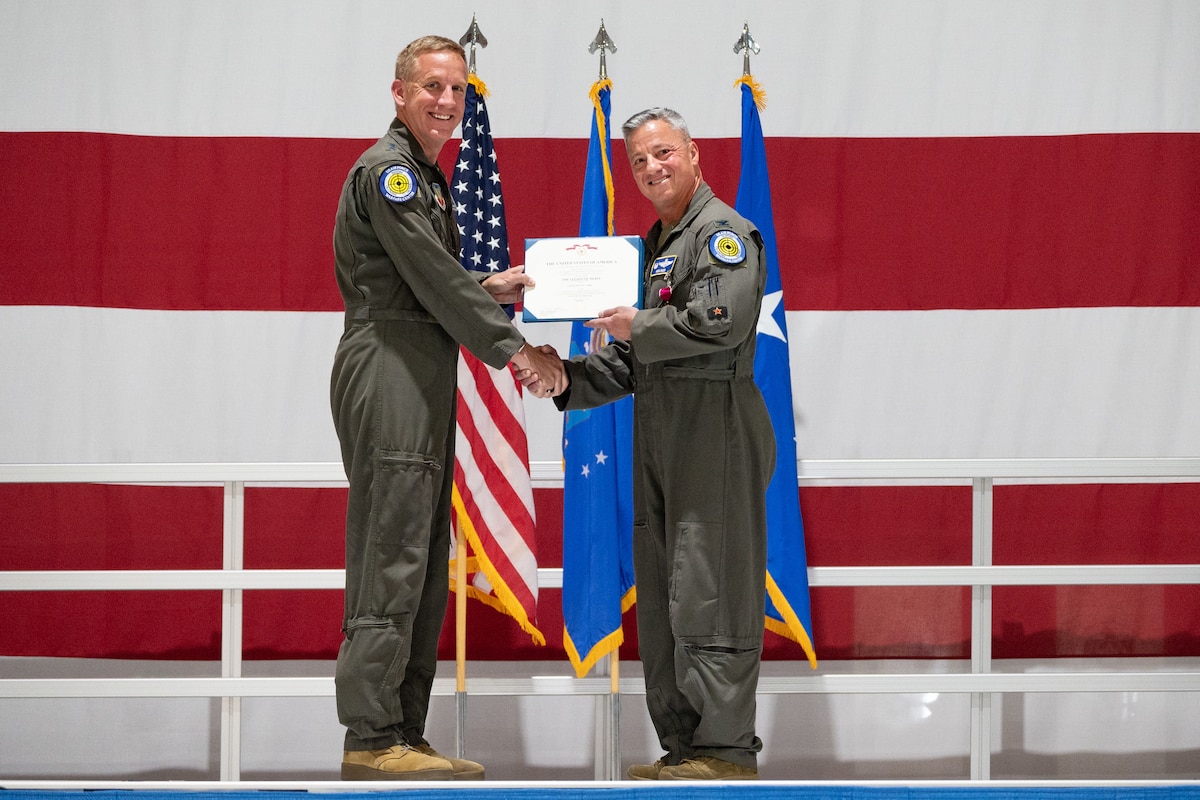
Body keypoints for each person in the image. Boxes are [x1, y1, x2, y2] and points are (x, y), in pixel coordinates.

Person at [329, 35, 565, 781]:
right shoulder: (392, 173)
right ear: (398, 93)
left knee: (426, 555)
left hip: (420, 364)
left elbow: (425, 277)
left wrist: (488, 288)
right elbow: (430, 275)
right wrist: (514, 347)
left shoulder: (425, 178)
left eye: (458, 90)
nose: (447, 101)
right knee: (392, 552)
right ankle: (370, 734)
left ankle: (401, 728)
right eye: (432, 86)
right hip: (391, 366)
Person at [522, 107, 774, 780]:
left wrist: (642, 323)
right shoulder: (659, 245)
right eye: (638, 161)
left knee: (709, 582)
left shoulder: (721, 232)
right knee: (667, 586)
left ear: (695, 155)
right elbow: (639, 358)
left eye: (663, 153)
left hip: (713, 427)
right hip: (661, 430)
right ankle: (686, 747)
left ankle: (724, 749)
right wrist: (563, 377)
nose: (652, 168)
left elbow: (720, 318)